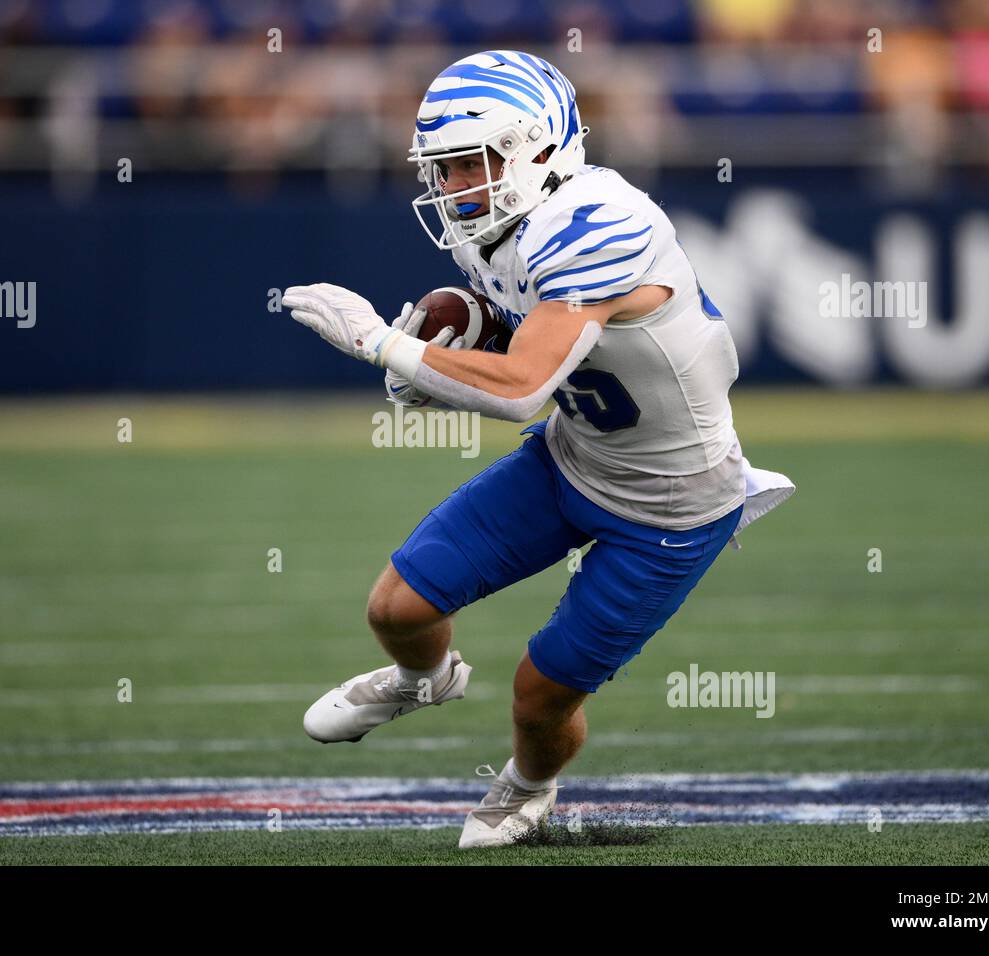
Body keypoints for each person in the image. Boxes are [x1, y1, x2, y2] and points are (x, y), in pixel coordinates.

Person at [282, 50, 793, 849]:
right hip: (573, 456)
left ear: (538, 152)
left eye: (466, 165)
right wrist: (462, 338)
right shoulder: (504, 225)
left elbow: (523, 382)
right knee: (396, 607)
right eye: (441, 168)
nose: (450, 188)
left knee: (538, 696)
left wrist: (384, 345)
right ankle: (425, 679)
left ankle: (528, 786)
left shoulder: (599, 222)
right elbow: (520, 341)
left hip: (673, 505)